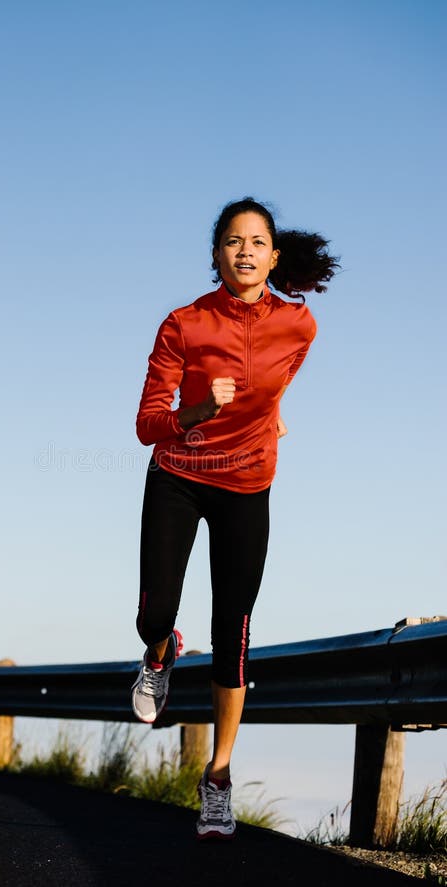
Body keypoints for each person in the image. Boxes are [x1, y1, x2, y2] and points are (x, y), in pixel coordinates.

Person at [130, 197, 339, 840]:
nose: (244, 250)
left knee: (235, 631)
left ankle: (217, 781)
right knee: (153, 613)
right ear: (216, 255)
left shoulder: (300, 326)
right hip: (178, 476)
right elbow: (146, 425)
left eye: (256, 241)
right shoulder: (183, 324)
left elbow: (280, 376)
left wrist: (270, 411)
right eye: (231, 240)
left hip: (248, 486)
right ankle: (160, 654)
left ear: (274, 257)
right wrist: (197, 411)